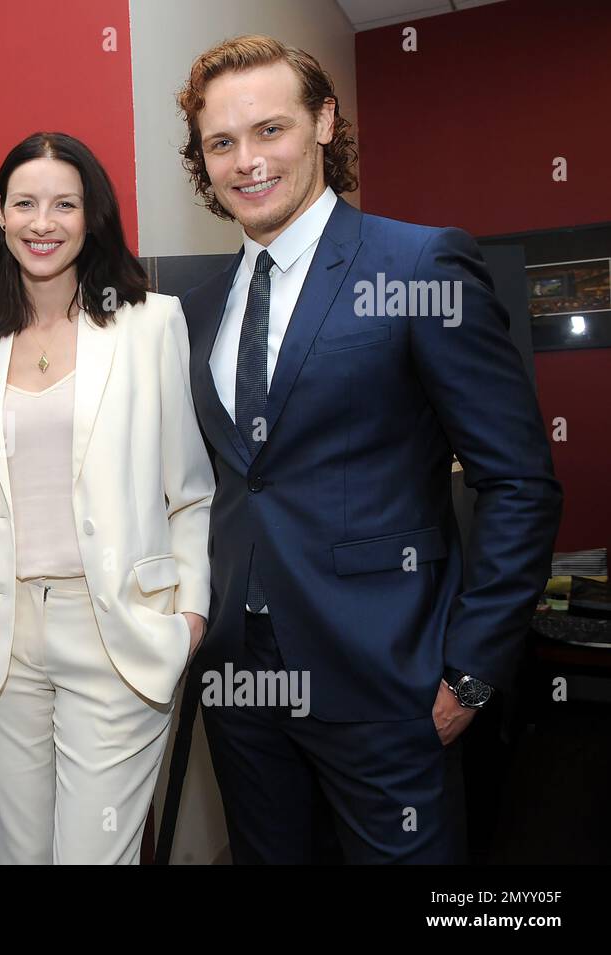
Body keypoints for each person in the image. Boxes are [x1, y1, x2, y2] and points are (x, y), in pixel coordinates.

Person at [177, 35, 562, 863]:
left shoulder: (420, 263)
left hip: (388, 675)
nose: (247, 161)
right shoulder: (197, 309)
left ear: (324, 122)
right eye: (221, 143)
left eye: (270, 130)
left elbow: (520, 480)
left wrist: (471, 670)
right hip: (239, 679)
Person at [0, 132, 214, 864]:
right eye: (24, 203)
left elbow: (189, 489)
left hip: (115, 633)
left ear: (92, 215)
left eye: (65, 204)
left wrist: (188, 617)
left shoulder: (151, 323)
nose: (43, 222)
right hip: (1, 643)